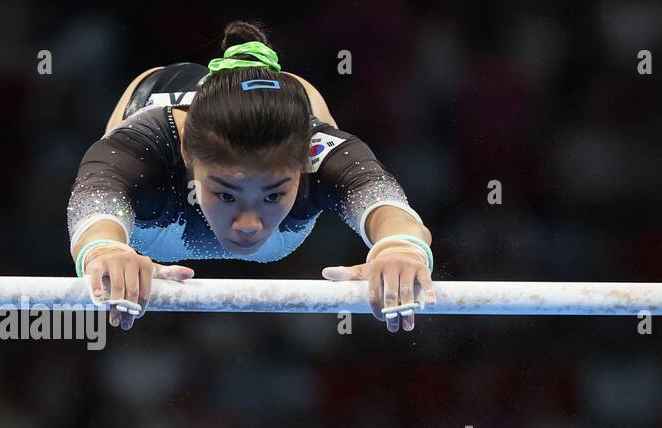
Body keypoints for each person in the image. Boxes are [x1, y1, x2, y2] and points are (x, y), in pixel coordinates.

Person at [66, 20, 436, 332]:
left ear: (305, 161)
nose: (248, 224)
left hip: (281, 120)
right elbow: (93, 200)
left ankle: (270, 92)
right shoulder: (145, 150)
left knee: (306, 102)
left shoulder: (319, 150)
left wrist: (399, 247)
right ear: (187, 157)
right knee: (107, 172)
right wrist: (106, 248)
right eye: (226, 195)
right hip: (159, 93)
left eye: (274, 195)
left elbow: (386, 204)